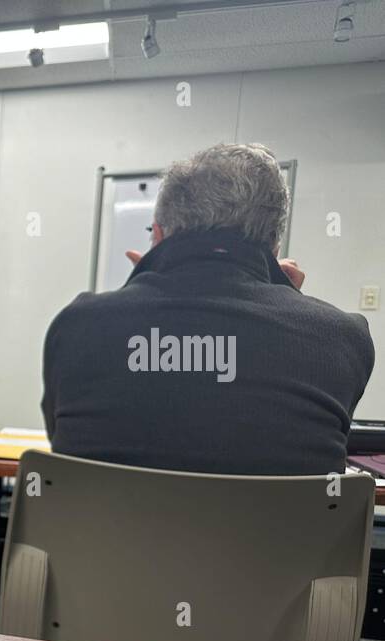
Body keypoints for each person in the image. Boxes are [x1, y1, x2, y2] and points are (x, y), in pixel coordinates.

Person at [41, 142, 373, 475]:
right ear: (274, 246)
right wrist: (291, 302)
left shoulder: (77, 325)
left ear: (157, 235)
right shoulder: (342, 339)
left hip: (101, 528)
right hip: (269, 528)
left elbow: (63, 443)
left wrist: (136, 295)